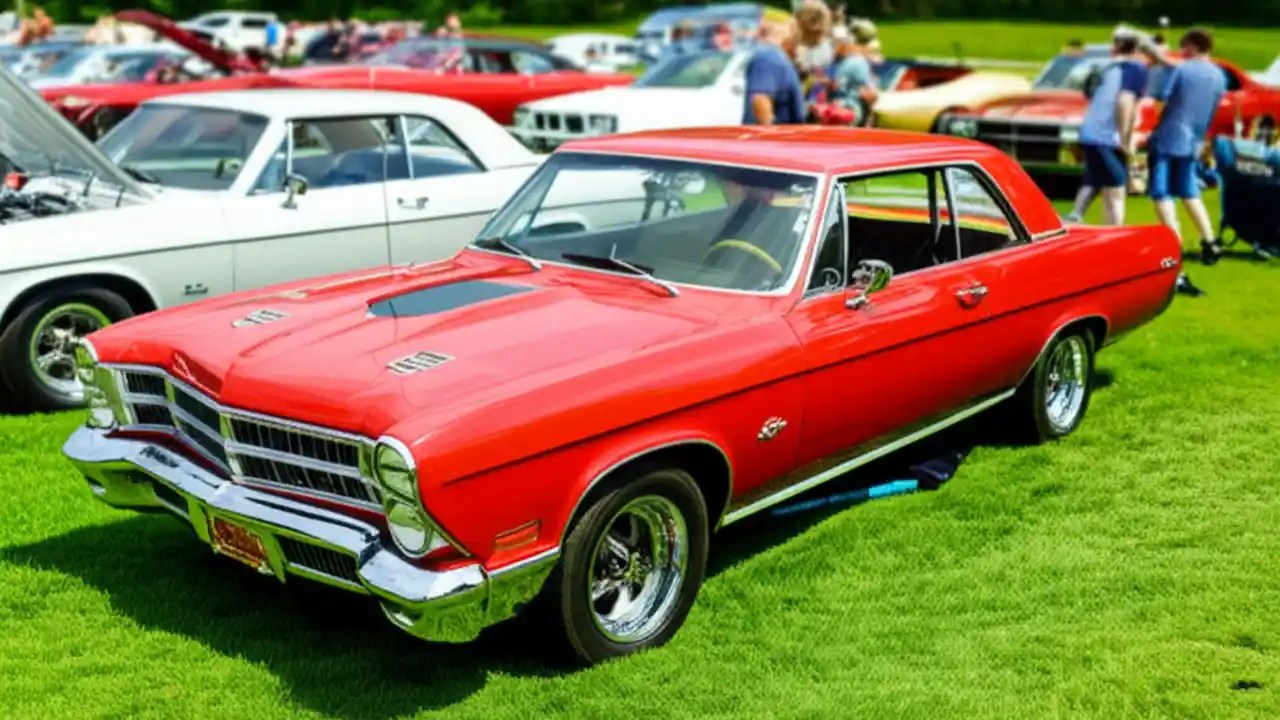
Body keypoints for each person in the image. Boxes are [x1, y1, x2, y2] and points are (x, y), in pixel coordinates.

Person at [1147, 28, 1227, 266]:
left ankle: (1175, 243)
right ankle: (1210, 241)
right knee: (1190, 191)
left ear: (1192, 46)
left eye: (1184, 46)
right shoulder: (1218, 75)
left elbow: (1161, 97)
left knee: (1160, 192)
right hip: (1194, 139)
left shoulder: (1181, 69)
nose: (1182, 51)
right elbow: (1213, 109)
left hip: (1169, 136)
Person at [1065, 28, 1148, 226]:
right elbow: (1124, 102)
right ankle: (1114, 235)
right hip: (1106, 137)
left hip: (1091, 133)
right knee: (1117, 189)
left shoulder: (1107, 67)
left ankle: (1073, 218)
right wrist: (1124, 138)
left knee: (1093, 180)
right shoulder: (1135, 69)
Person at [744, 21, 804, 126]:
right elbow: (760, 102)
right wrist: (767, 140)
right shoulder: (769, 58)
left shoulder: (780, 61)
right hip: (776, 140)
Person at [827, 35, 878, 126]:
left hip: (832, 110)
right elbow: (866, 94)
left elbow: (830, 88)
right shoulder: (859, 63)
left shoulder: (834, 63)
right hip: (851, 111)